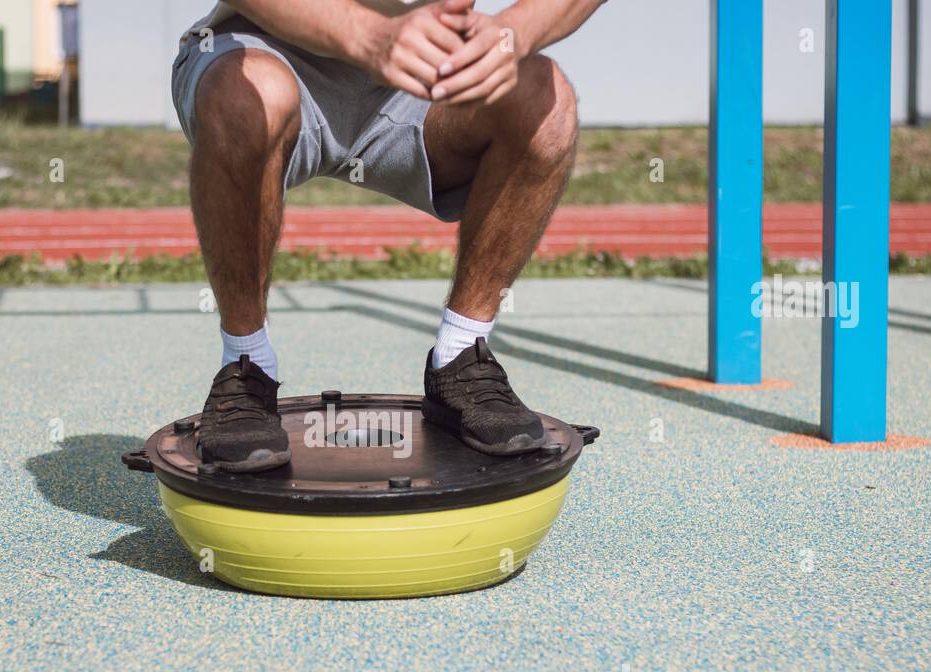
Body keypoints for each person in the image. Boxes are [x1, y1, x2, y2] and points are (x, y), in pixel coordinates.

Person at [172, 0, 606, 471]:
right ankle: (245, 365)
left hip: (420, 75)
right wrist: (367, 34)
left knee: (543, 95)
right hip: (266, 51)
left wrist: (511, 34)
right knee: (246, 92)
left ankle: (461, 354)